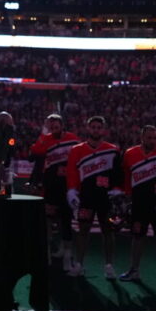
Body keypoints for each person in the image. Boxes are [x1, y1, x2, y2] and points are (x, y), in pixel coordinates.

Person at [65, 115, 123, 278]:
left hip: (106, 198)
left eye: (99, 127)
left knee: (108, 230)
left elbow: (118, 172)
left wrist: (117, 189)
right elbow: (71, 171)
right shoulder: (77, 150)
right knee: (83, 230)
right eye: (93, 127)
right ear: (88, 128)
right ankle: (79, 264)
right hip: (86, 197)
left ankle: (109, 266)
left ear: (103, 130)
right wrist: (71, 190)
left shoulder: (113, 149)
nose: (96, 130)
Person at [120, 124, 156, 285]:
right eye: (149, 137)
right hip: (139, 203)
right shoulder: (130, 154)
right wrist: (126, 195)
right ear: (142, 138)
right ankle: (134, 270)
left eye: (154, 138)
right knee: (137, 236)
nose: (152, 141)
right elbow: (126, 176)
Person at [30, 113, 81, 271]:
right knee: (48, 219)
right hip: (51, 185)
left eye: (56, 124)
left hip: (67, 186)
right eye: (51, 125)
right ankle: (47, 254)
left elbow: (79, 158)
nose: (54, 127)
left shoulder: (73, 138)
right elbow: (34, 152)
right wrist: (44, 133)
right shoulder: (46, 139)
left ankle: (67, 254)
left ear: (62, 124)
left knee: (65, 220)